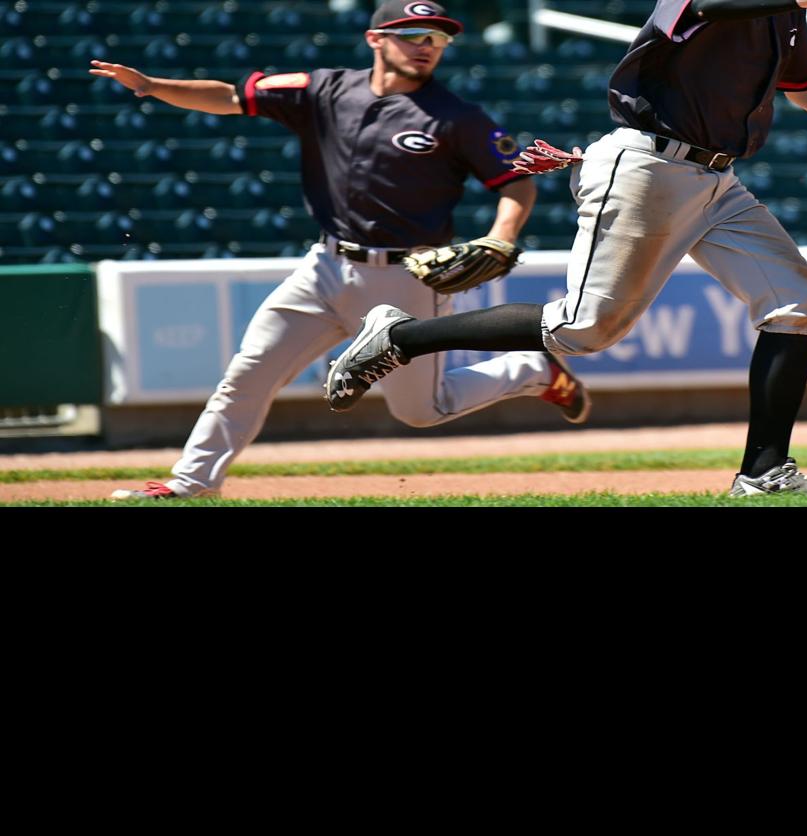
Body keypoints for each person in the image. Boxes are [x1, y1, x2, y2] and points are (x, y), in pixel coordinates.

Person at [324, 0, 807, 497]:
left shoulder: (784, 14)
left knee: (797, 303)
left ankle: (764, 472)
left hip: (716, 179)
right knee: (584, 330)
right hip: (649, 167)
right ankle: (400, 337)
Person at [98, 0, 589, 501]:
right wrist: (153, 86)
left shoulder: (457, 117)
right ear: (375, 38)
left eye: (437, 39)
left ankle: (530, 369)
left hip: (408, 277)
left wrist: (502, 236)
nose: (427, 47)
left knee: (421, 410)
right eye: (414, 34)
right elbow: (230, 96)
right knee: (248, 374)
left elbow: (516, 183)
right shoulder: (323, 89)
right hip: (326, 267)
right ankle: (190, 485)